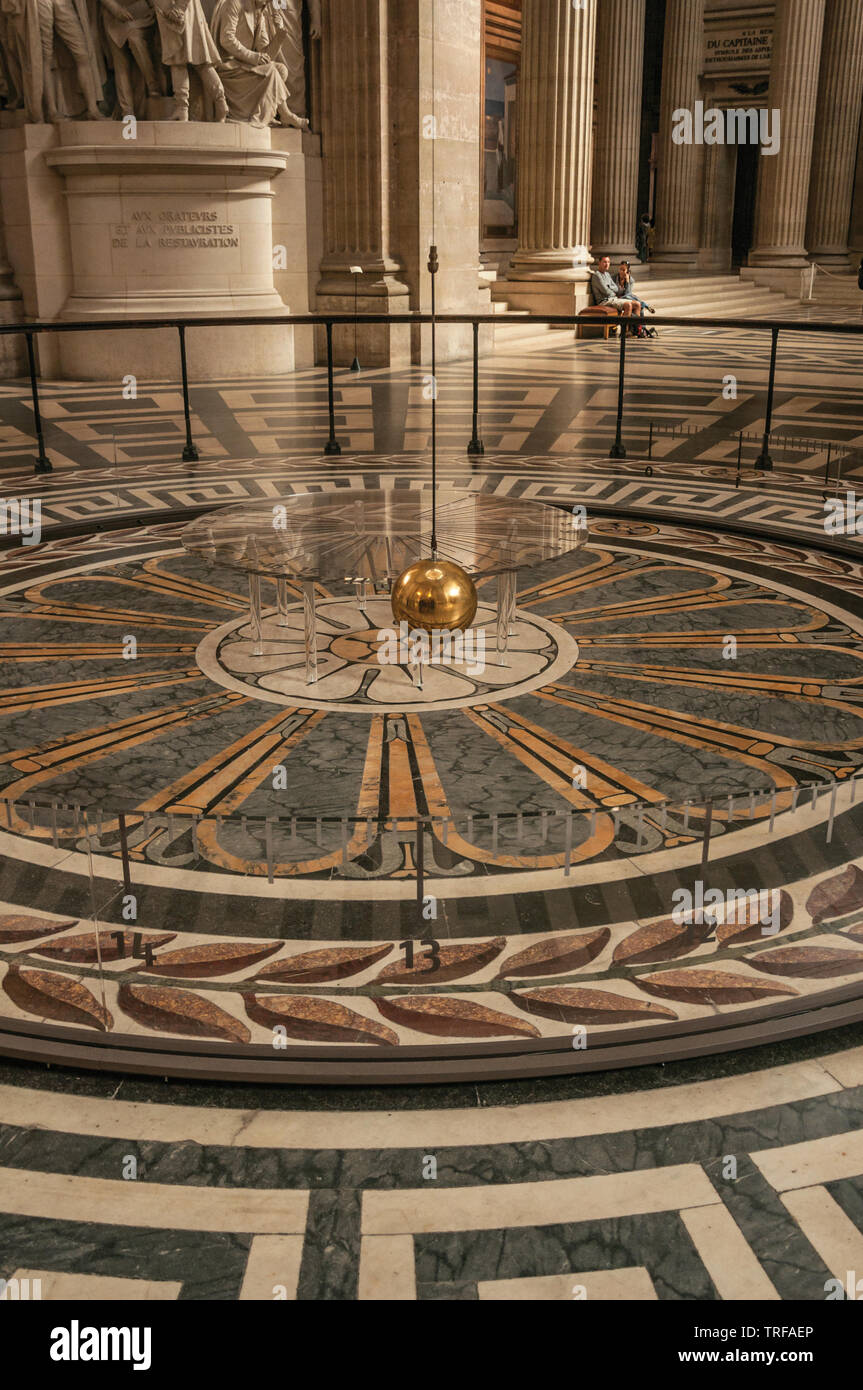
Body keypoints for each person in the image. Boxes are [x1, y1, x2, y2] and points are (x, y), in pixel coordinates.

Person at [589, 255, 635, 333]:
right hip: (604, 301)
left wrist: (609, 287)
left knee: (637, 304)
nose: (607, 264)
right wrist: (612, 291)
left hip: (612, 299)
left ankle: (635, 331)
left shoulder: (607, 274)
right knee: (628, 305)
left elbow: (616, 288)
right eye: (604, 262)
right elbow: (606, 291)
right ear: (599, 263)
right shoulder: (597, 275)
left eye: (608, 262)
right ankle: (624, 333)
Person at [617, 260, 658, 338]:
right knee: (636, 300)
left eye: (623, 270)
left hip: (626, 298)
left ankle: (637, 330)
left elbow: (627, 293)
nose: (621, 272)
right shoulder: (614, 278)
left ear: (628, 271)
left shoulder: (631, 280)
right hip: (618, 299)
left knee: (639, 307)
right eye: (620, 269)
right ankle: (641, 328)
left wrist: (628, 281)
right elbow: (626, 294)